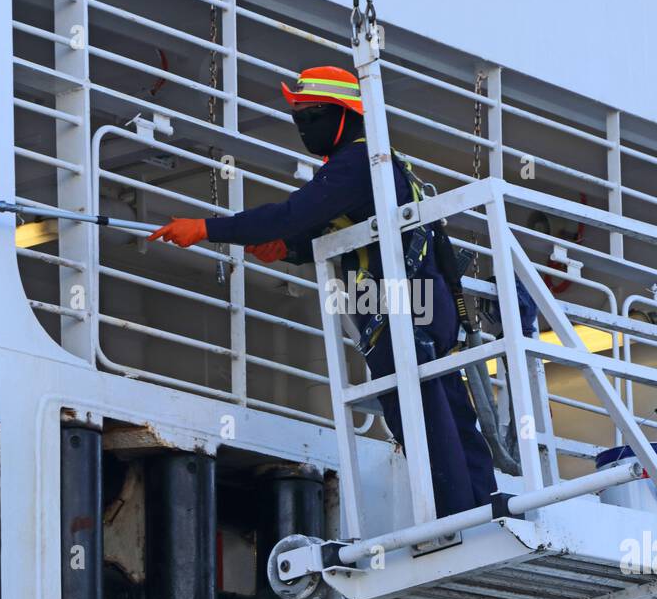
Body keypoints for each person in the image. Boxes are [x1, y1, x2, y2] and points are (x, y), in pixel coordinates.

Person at [151, 66, 500, 518]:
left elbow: (292, 214)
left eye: (309, 116)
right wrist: (289, 250)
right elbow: (322, 228)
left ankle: (457, 522)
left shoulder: (357, 163)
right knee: (449, 411)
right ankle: (487, 510)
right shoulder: (379, 165)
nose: (302, 127)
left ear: (342, 114)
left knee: (423, 417)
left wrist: (206, 228)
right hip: (424, 305)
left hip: (397, 309)